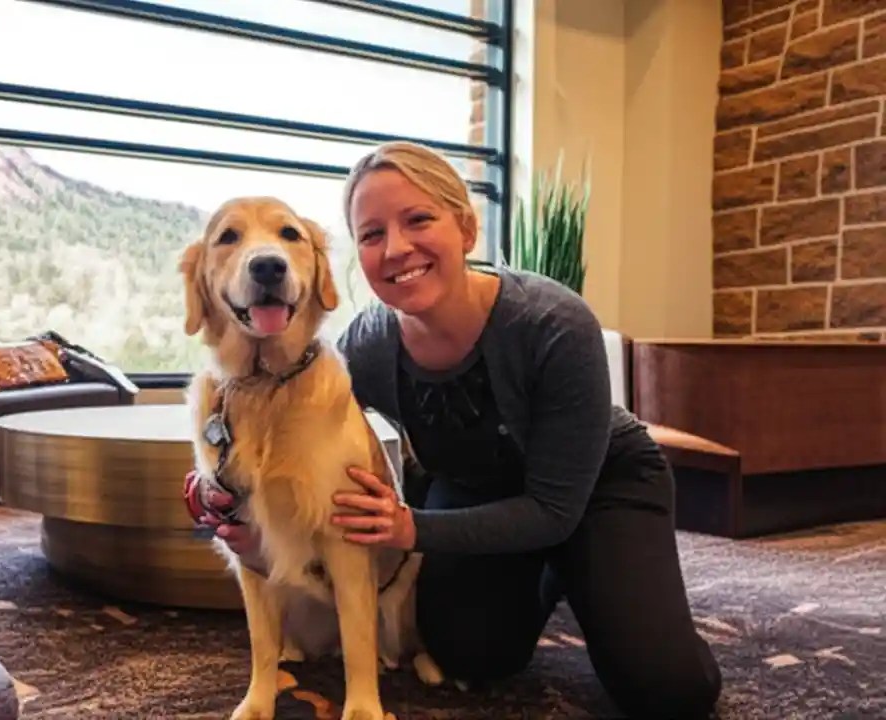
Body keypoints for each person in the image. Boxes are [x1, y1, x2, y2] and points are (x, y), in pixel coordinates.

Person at [183, 141, 723, 719]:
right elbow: (299, 421)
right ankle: (547, 577)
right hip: (476, 486)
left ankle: (588, 571)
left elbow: (553, 508)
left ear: (465, 228)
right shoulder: (366, 347)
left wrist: (410, 526)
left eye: (418, 220)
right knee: (470, 654)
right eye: (371, 235)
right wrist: (219, 492)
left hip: (596, 490)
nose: (396, 248)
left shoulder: (552, 324)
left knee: (668, 690)